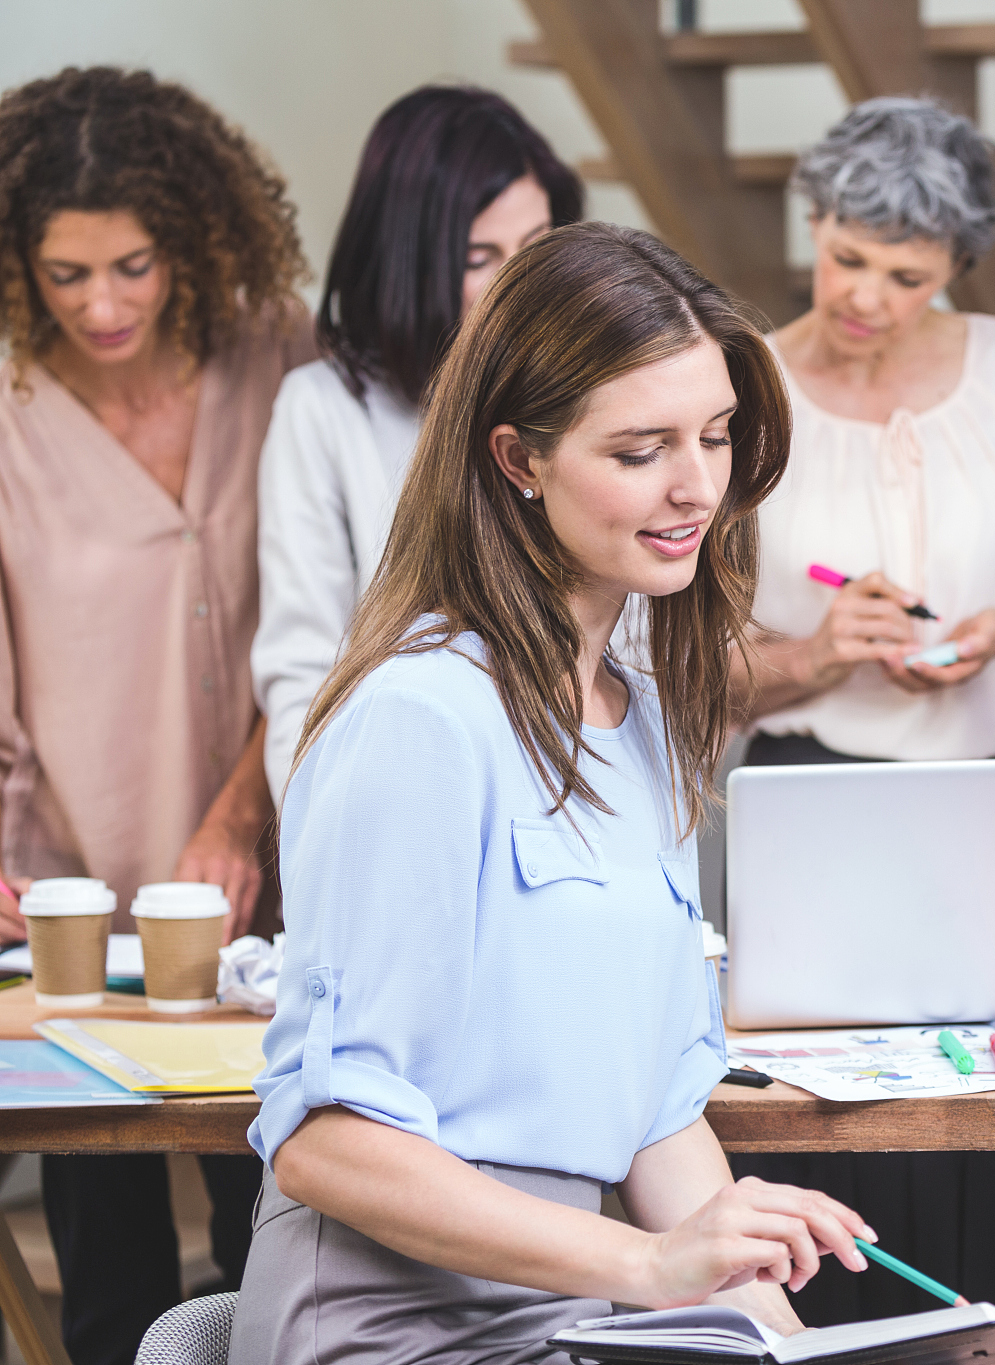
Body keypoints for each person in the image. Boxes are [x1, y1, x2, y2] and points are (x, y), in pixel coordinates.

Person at [230, 222, 876, 1364]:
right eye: (638, 452)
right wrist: (646, 1267)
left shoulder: (643, 718)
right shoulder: (418, 719)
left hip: (568, 1303)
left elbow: (657, 1119)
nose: (695, 488)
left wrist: (781, 1340)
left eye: (716, 437)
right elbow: (324, 1138)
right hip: (395, 1321)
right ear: (518, 461)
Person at [727, 97, 995, 1336]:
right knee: (825, 1134)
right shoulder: (743, 381)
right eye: (845, 257)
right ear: (811, 223)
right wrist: (815, 654)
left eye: (904, 276)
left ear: (956, 266)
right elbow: (679, 658)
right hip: (811, 800)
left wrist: (994, 631)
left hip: (994, 804)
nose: (865, 295)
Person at [0, 66, 315, 1365]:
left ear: (190, 243)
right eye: (66, 275)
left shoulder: (280, 354)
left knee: (287, 1238)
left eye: (131, 266)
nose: (103, 305)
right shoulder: (9, 406)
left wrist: (243, 813)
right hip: (69, 892)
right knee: (112, 1261)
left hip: (273, 883)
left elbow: (325, 625)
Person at [253, 85, 584, 803]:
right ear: (408, 259)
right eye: (479, 255)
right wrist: (320, 841)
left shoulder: (588, 399)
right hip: (401, 799)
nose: (515, 286)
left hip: (573, 797)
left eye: (534, 248)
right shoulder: (324, 411)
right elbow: (302, 668)